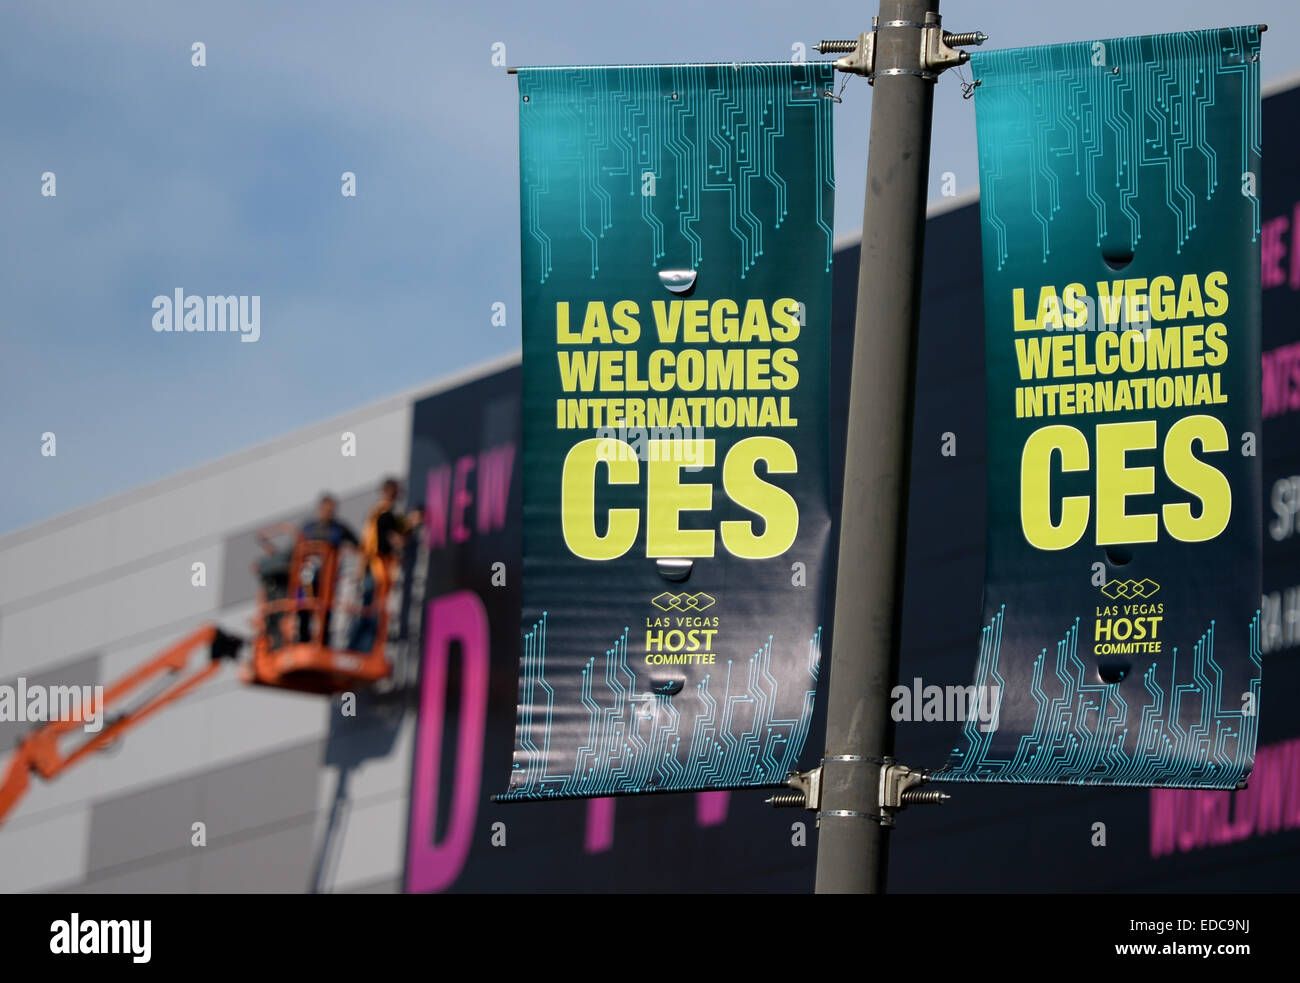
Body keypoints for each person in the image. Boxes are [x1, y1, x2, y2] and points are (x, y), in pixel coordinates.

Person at [347, 478, 421, 653]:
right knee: (372, 611)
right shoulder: (383, 514)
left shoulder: (382, 513)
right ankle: (362, 651)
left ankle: (360, 649)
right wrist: (410, 526)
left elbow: (397, 530)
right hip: (375, 569)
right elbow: (394, 538)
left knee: (370, 609)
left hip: (375, 569)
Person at [297, 494, 359, 646]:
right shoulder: (308, 527)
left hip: (328, 578)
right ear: (320, 509)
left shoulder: (339, 528)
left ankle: (323, 644)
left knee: (326, 610)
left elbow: (358, 544)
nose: (328, 512)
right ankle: (303, 641)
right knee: (304, 608)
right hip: (308, 575)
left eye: (332, 509)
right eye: (326, 508)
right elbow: (295, 550)